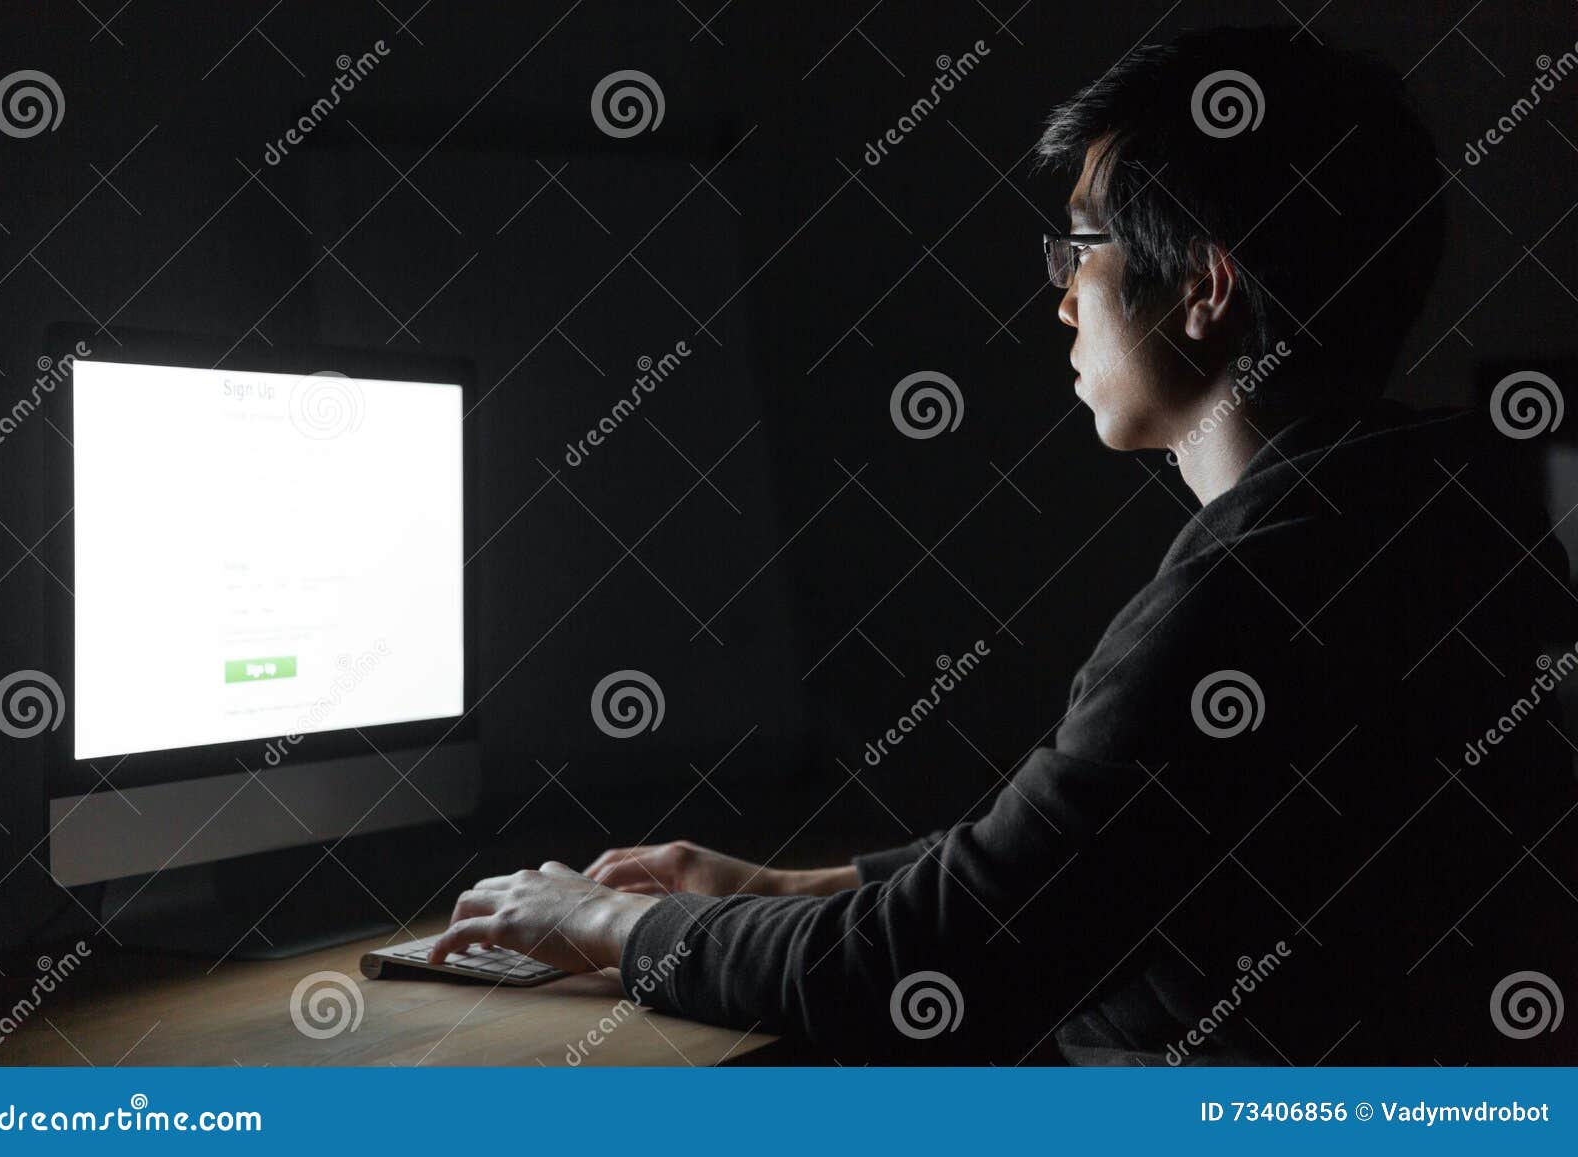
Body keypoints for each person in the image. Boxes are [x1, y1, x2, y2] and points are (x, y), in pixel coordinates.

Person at [430, 27, 1578, 1064]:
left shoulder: (1258, 594)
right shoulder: (1425, 515)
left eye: (1080, 250)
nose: (1063, 301)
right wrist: (781, 884)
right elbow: (1070, 869)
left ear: (1203, 288)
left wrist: (608, 921)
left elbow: (934, 967)